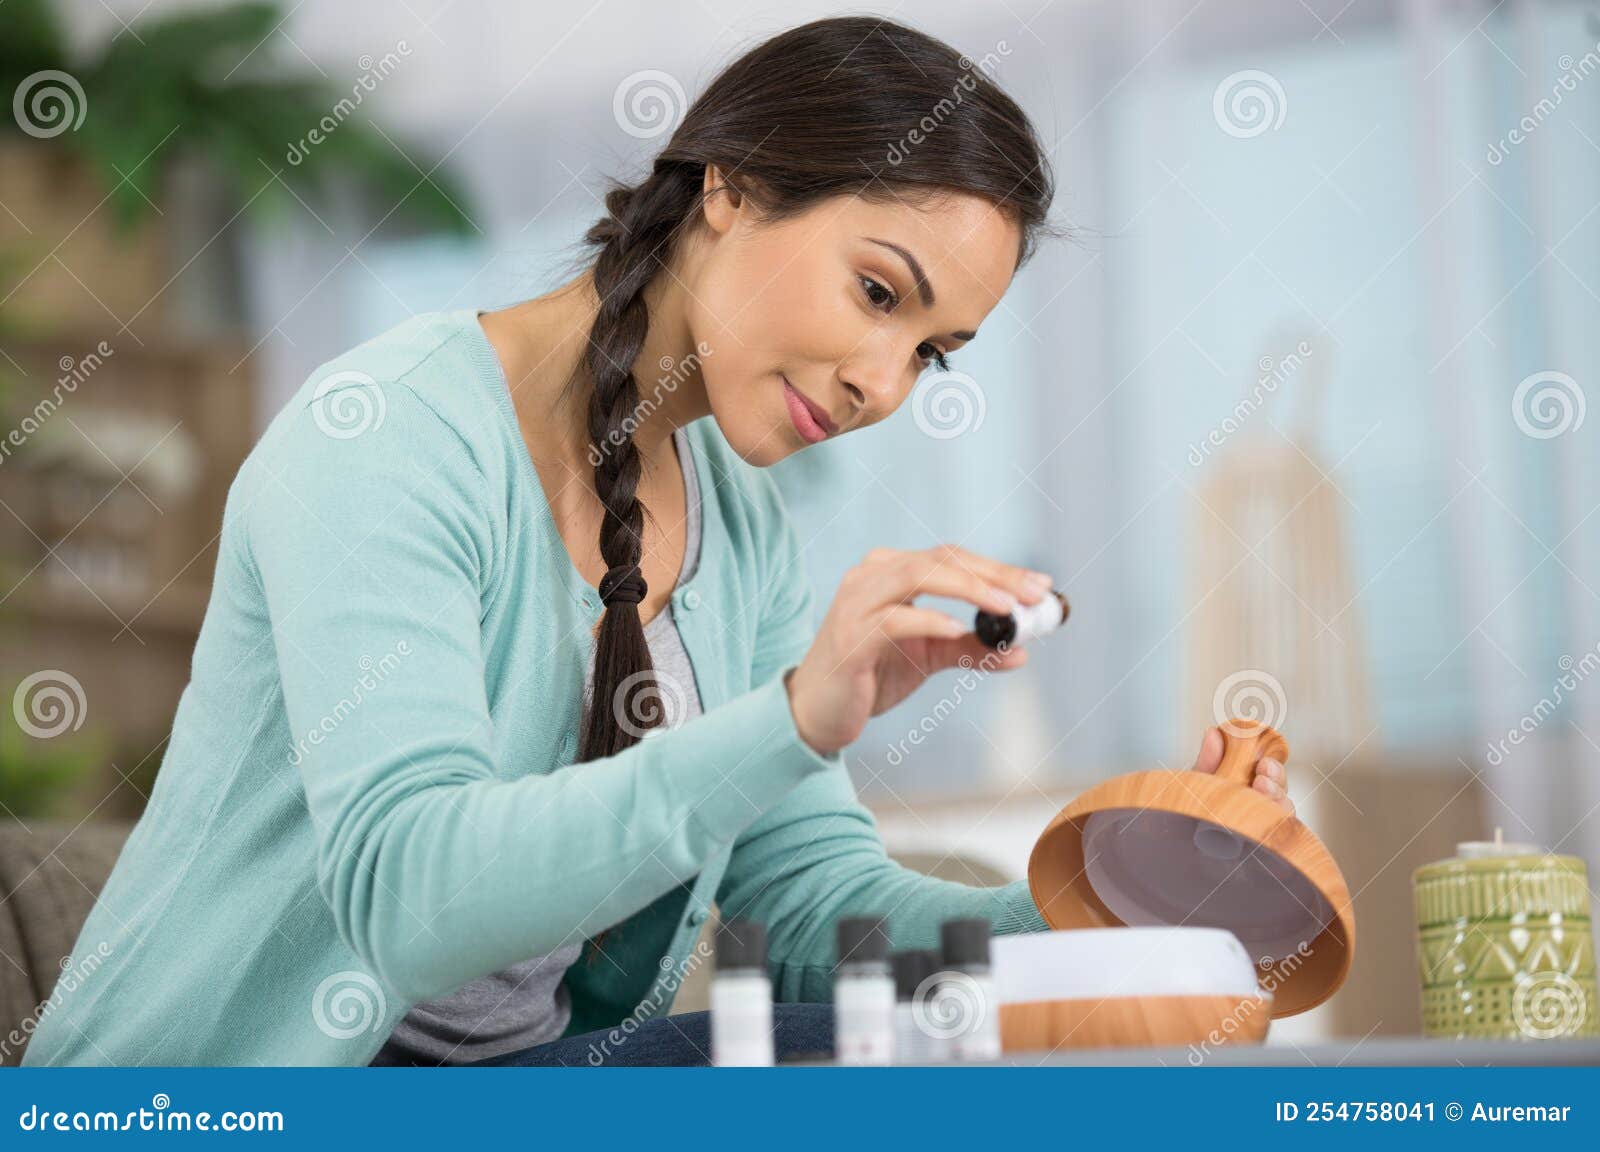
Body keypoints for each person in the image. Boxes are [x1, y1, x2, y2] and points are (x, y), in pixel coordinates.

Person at [22, 16, 1292, 1068]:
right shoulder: (388, 436)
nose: (883, 383)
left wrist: (1115, 899)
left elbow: (816, 914)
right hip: (225, 1110)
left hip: (507, 1092)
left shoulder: (739, 525)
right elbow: (408, 899)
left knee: (933, 1036)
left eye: (930, 352)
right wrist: (790, 715)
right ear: (731, 185)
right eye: (877, 292)